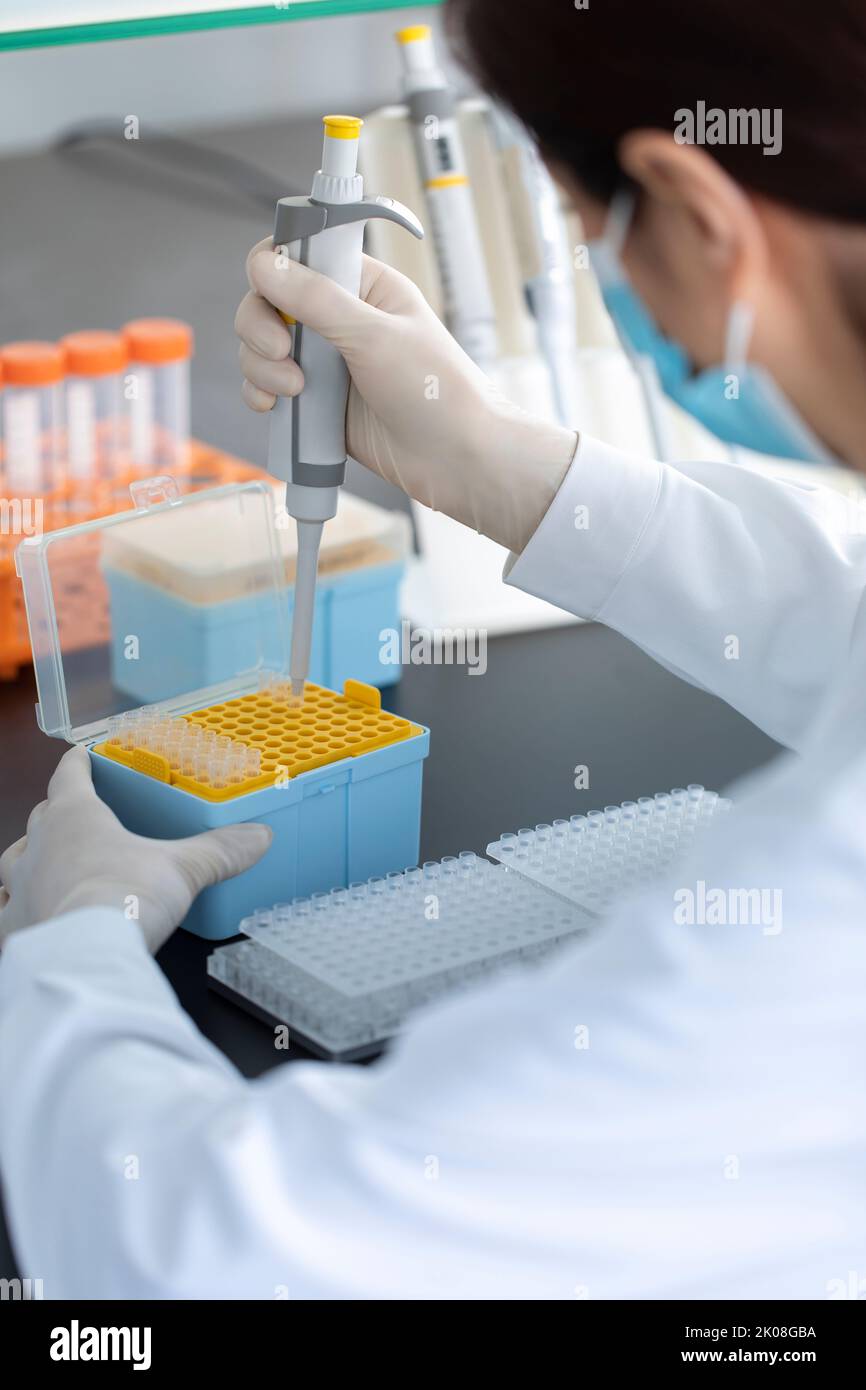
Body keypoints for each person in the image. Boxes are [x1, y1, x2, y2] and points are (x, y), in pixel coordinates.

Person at [2, 0, 866, 1298]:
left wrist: (70, 944)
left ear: (696, 209)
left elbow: (205, 1253)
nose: (609, 288)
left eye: (587, 235)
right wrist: (483, 457)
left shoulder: (814, 918)